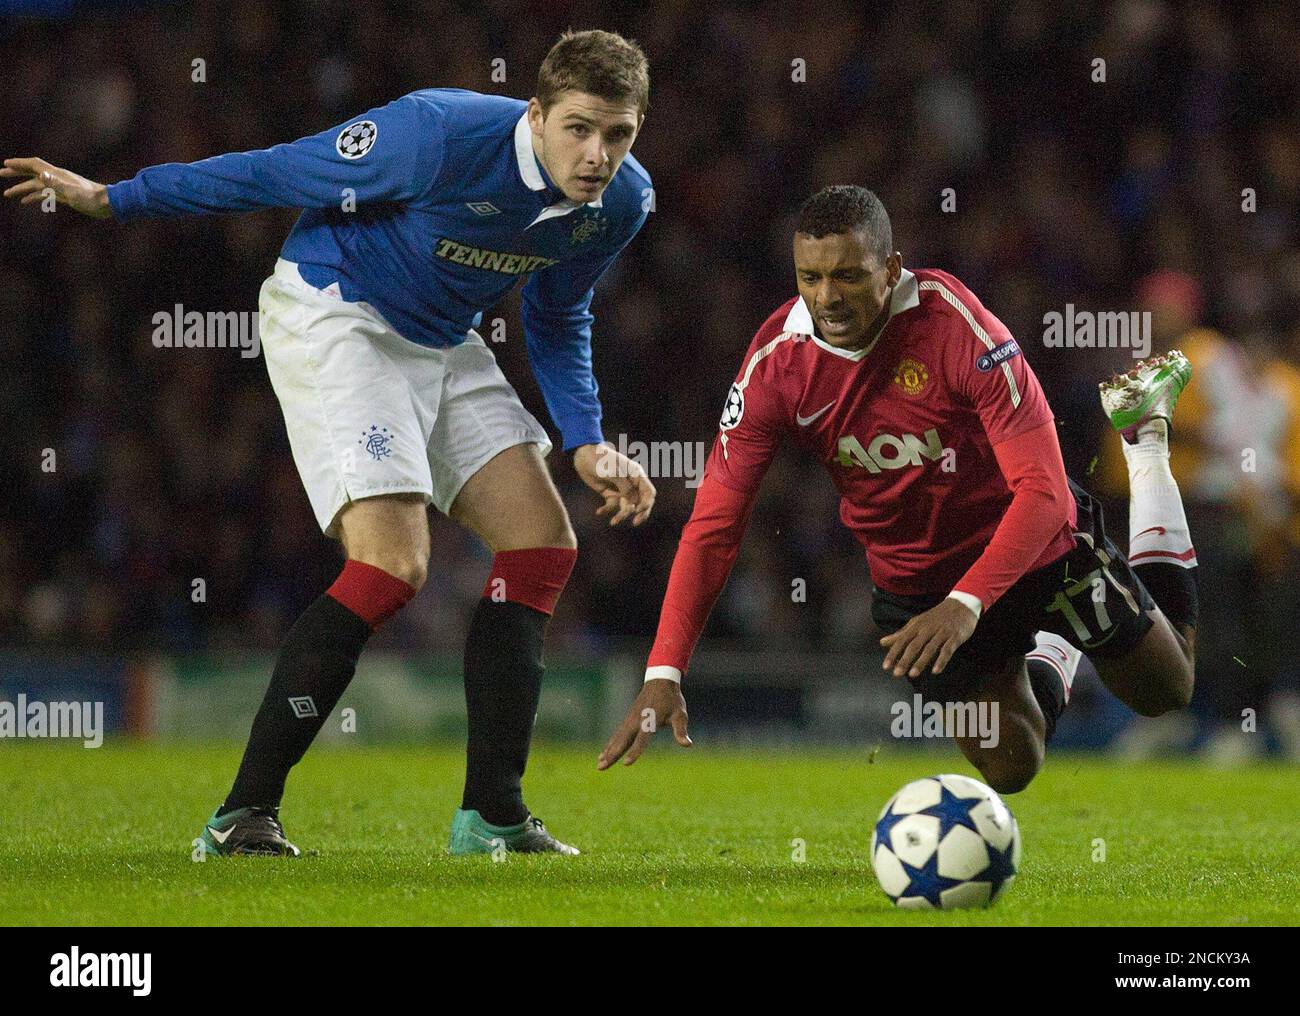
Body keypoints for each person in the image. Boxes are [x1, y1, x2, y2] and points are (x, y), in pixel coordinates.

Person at [4, 28, 658, 856]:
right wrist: (118, 197)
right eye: (579, 128)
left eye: (619, 133)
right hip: (337, 311)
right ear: (535, 113)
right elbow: (274, 169)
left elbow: (559, 314)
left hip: (442, 338)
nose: (598, 154)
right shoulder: (435, 137)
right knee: (393, 564)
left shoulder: (622, 201)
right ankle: (242, 815)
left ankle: (491, 816)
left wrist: (587, 442)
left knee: (540, 546)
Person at [599, 185, 1198, 794]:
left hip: (1037, 547)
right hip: (919, 582)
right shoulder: (777, 365)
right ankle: (1051, 650)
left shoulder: (959, 328)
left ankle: (1145, 444)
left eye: (848, 276)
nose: (827, 297)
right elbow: (714, 525)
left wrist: (966, 605)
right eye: (810, 277)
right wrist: (664, 669)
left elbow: (1042, 492)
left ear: (891, 268)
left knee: (1168, 690)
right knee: (1013, 767)